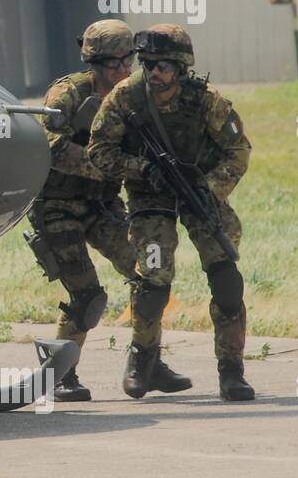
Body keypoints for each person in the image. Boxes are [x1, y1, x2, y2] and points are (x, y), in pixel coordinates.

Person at [88, 24, 255, 401]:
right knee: (153, 280)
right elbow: (99, 151)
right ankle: (142, 359)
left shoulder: (207, 101)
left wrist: (209, 187)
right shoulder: (125, 98)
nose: (154, 73)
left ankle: (232, 371)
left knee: (227, 280)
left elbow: (238, 151)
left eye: (163, 65)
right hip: (150, 198)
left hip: (200, 194)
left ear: (180, 67)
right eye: (147, 64)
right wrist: (143, 169)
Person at [27, 19, 140, 401]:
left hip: (103, 205)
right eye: (116, 63)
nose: (124, 70)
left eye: (130, 61)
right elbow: (50, 146)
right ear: (95, 63)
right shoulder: (68, 94)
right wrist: (105, 164)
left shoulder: (131, 96)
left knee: (149, 272)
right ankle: (59, 375)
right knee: (87, 295)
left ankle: (146, 362)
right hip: (58, 207)